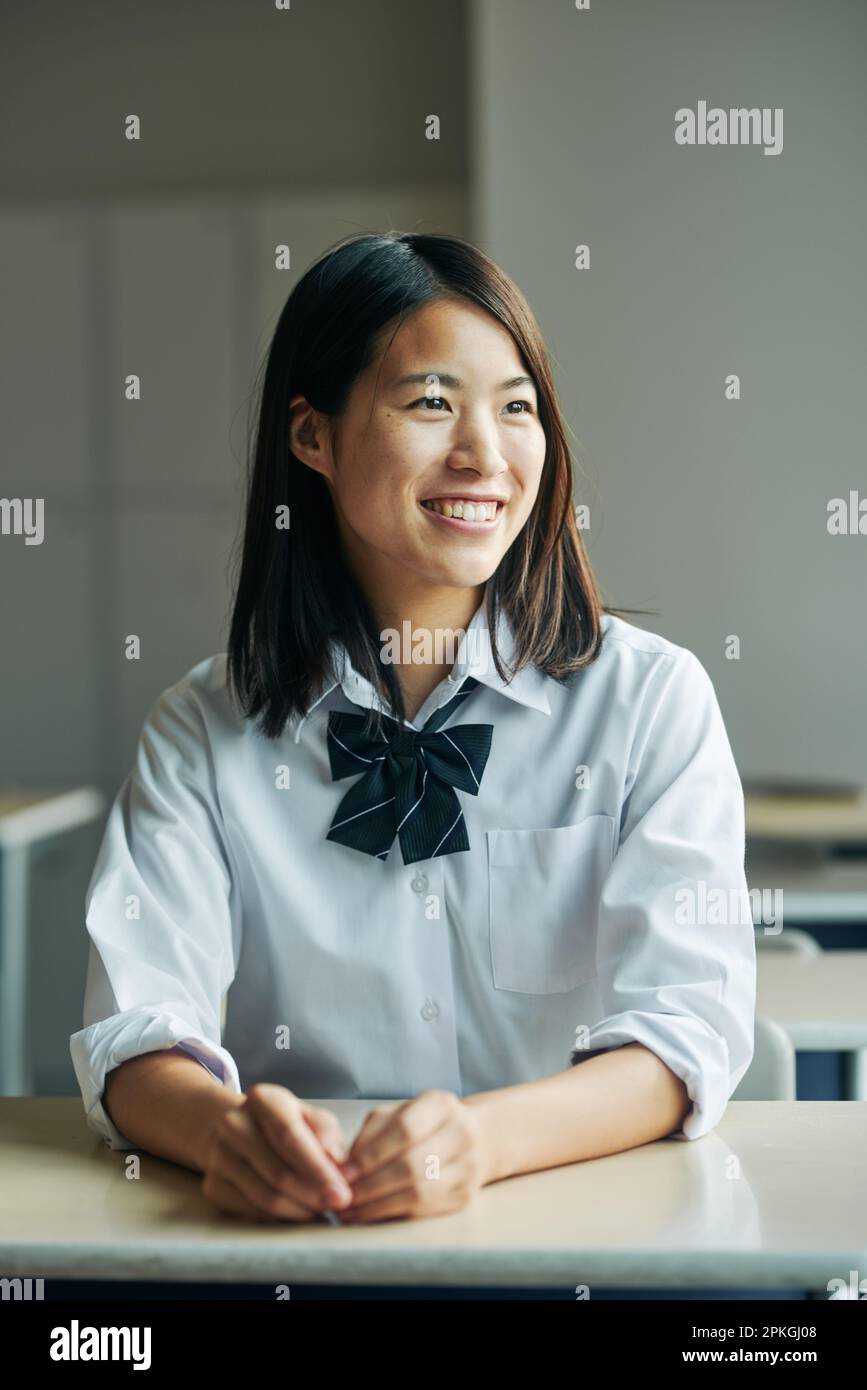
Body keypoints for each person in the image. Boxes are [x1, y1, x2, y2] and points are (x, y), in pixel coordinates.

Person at [70, 231, 755, 1226]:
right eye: (432, 402)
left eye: (516, 406)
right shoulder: (202, 728)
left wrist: (480, 1143)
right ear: (312, 436)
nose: (484, 452)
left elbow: (687, 1031)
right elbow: (131, 1033)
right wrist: (229, 1135)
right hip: (307, 1240)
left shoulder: (651, 701)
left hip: (586, 1240)